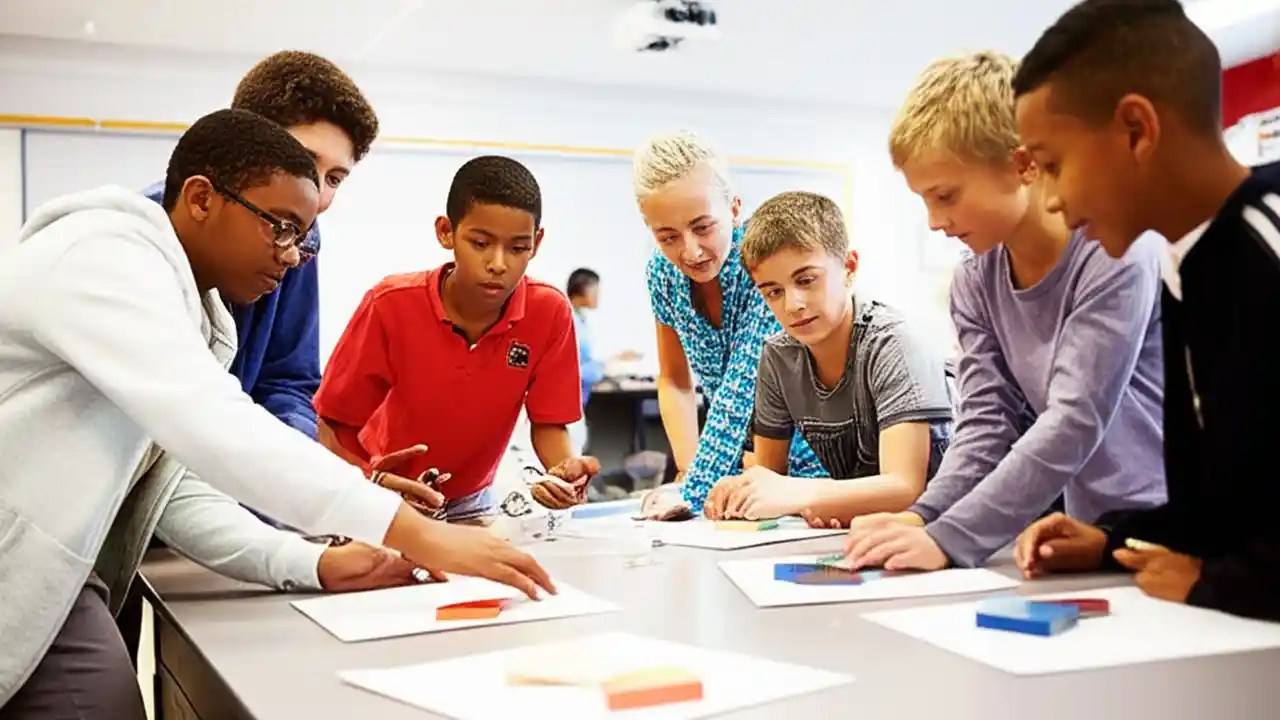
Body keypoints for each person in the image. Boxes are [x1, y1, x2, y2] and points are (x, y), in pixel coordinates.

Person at [0, 110, 553, 718]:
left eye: (303, 235)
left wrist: (313, 563)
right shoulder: (102, 257)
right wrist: (416, 531)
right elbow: (215, 424)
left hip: (54, 566)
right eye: (282, 228)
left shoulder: (197, 312)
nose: (293, 257)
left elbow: (175, 487)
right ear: (202, 198)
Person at [839, 50, 1168, 574]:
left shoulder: (1115, 247)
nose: (934, 220)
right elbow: (986, 425)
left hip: (1171, 530)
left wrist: (951, 538)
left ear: (1023, 164)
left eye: (945, 195)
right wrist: (925, 516)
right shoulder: (974, 281)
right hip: (1087, 534)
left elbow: (1075, 417)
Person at [1010, 0, 1280, 621]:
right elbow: (1223, 510)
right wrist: (1113, 541)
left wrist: (1215, 585)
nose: (1050, 200)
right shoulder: (1181, 268)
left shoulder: (1265, 243)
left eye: (1053, 166)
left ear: (1136, 130)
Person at [315, 156, 599, 517]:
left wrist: (563, 473)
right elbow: (334, 424)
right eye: (480, 243)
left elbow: (548, 423)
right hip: (380, 493)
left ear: (536, 243)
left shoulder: (550, 312)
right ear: (446, 232)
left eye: (517, 248)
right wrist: (370, 482)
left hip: (472, 502)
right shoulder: (390, 304)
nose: (498, 263)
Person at [145, 50, 379, 442]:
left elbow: (286, 381)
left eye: (335, 178)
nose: (316, 193)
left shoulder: (300, 246)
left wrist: (306, 465)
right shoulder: (141, 240)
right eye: (303, 161)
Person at [701, 191, 954, 522]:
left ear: (849, 267)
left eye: (806, 280)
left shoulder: (893, 344)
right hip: (875, 529)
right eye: (773, 291)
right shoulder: (778, 357)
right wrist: (740, 492)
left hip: (952, 523)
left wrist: (797, 494)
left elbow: (906, 487)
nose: (793, 305)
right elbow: (768, 478)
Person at [634, 131, 827, 520]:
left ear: (734, 209)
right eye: (667, 236)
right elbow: (674, 380)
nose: (690, 251)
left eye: (703, 227)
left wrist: (693, 488)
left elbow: (743, 387)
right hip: (738, 462)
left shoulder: (764, 260)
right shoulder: (661, 274)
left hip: (813, 458)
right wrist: (687, 470)